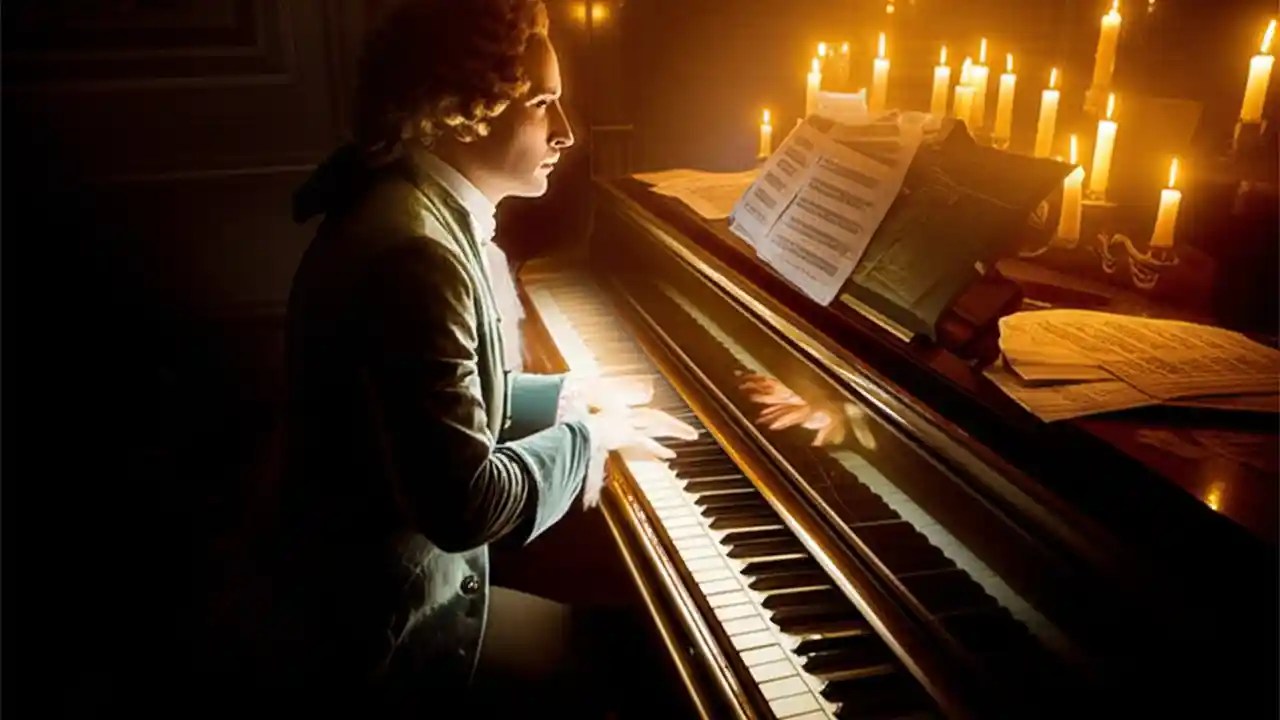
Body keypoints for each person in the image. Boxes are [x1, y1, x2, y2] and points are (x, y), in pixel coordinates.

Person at [272, 0, 697, 716]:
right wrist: (592, 437)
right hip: (386, 634)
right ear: (457, 110)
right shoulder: (416, 253)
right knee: (655, 668)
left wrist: (568, 397)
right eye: (542, 104)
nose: (565, 133)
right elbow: (468, 505)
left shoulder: (409, 204)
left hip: (361, 587)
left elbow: (428, 403)